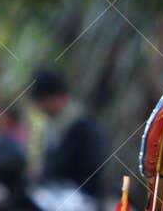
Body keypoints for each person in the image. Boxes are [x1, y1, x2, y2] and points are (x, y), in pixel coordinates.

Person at [27, 66, 108, 200]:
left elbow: (87, 174)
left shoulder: (81, 127)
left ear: (55, 98)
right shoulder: (55, 124)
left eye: (42, 102)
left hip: (76, 199)